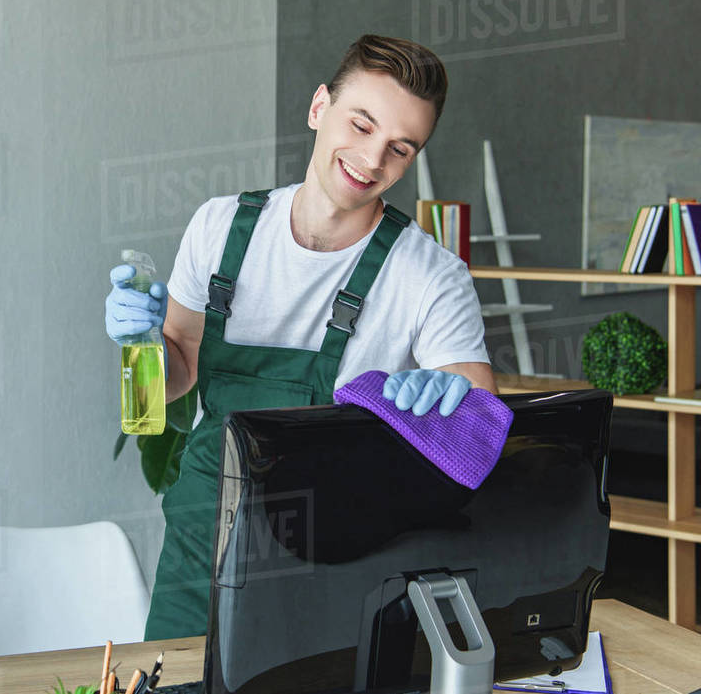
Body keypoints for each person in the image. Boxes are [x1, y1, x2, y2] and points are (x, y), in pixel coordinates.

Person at [105, 34, 497, 640]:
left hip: (337, 555)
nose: (371, 161)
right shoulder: (219, 227)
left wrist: (448, 400)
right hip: (202, 536)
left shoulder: (431, 275)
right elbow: (180, 366)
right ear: (319, 108)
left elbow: (477, 420)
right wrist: (147, 343)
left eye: (399, 148)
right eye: (361, 125)